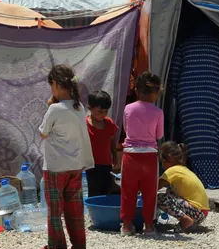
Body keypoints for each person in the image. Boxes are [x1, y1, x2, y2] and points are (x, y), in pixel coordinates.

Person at [168, 15, 219, 189]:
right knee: (213, 136)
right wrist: (216, 82)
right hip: (213, 95)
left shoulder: (184, 47)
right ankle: (212, 178)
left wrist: (179, 92)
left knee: (191, 136)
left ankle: (195, 181)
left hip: (188, 96)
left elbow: (173, 75)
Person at [35, 65, 94, 249]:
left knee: (55, 210)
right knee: (75, 210)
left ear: (58, 85)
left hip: (54, 167)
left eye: (52, 85)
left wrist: (49, 105)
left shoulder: (54, 109)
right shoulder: (79, 108)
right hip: (75, 166)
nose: (51, 90)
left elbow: (43, 133)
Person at [120, 72, 164, 236]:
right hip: (149, 156)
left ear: (136, 90)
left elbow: (126, 130)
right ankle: (149, 227)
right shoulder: (158, 112)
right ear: (156, 93)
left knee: (128, 191)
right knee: (149, 192)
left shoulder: (128, 108)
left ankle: (126, 226)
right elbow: (159, 136)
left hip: (130, 155)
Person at [157, 141, 209, 232]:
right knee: (169, 191)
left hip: (196, 211)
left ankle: (185, 219)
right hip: (202, 212)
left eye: (163, 162)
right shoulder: (183, 169)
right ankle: (188, 223)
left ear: (169, 158)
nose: (163, 166)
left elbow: (155, 186)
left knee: (160, 197)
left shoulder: (172, 171)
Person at [86, 90, 119, 198]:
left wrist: (114, 156)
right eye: (100, 111)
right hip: (90, 165)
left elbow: (111, 140)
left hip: (106, 164)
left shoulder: (109, 123)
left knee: (106, 190)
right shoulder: (84, 124)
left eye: (106, 111)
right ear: (90, 108)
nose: (103, 114)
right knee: (93, 191)